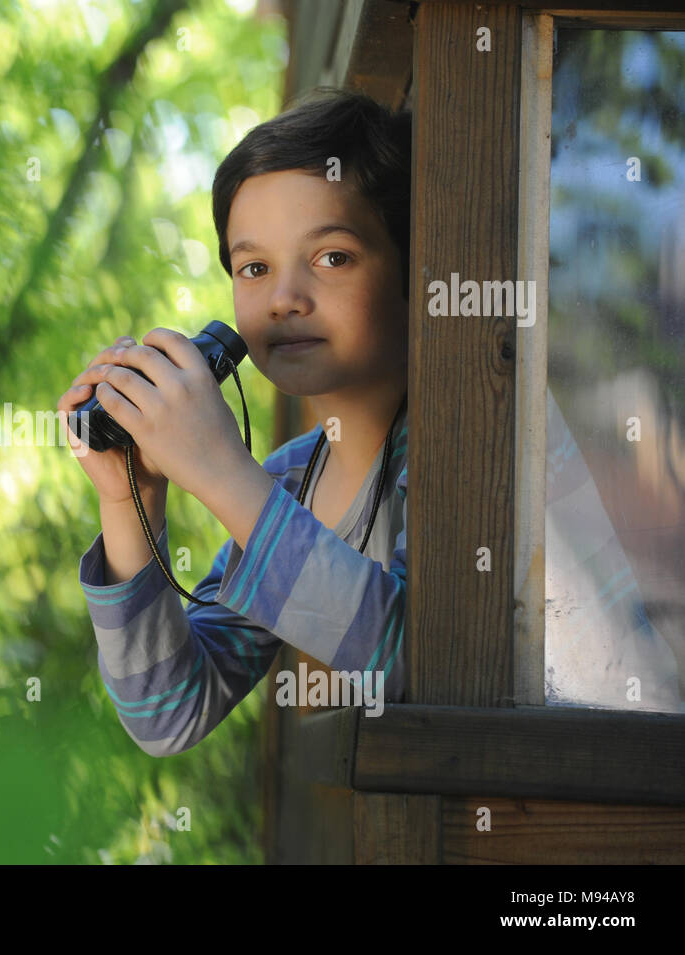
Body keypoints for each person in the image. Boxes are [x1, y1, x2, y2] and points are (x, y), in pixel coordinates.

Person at [55, 88, 681, 759]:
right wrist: (129, 498)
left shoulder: (477, 429)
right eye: (254, 267)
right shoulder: (291, 483)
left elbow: (428, 667)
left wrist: (218, 470)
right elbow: (168, 714)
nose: (286, 297)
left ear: (415, 267)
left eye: (332, 257)